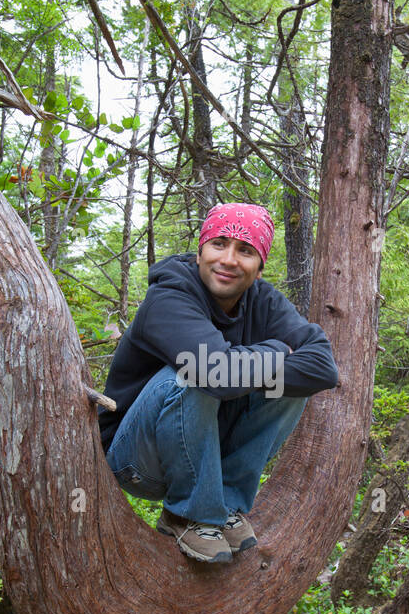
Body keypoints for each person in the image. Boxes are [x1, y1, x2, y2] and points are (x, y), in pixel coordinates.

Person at [98, 203, 340, 563]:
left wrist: (246, 368)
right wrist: (276, 350)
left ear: (259, 268)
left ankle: (223, 505)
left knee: (289, 391)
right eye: (218, 244)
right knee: (189, 376)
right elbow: (215, 374)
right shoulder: (169, 296)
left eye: (245, 251)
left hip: (205, 447)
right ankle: (188, 513)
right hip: (137, 459)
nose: (228, 259)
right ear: (199, 252)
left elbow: (323, 368)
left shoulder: (265, 302)